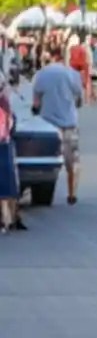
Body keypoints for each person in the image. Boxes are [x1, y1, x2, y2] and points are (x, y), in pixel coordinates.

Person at [31, 49, 84, 205]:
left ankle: (43, 190)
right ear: (62, 58)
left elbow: (36, 102)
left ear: (49, 58)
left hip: (48, 125)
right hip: (69, 123)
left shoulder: (41, 75)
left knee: (45, 161)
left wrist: (36, 110)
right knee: (72, 161)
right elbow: (79, 99)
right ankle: (72, 193)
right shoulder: (73, 74)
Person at [0, 84, 24, 232]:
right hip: (4, 145)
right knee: (7, 186)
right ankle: (9, 218)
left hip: (3, 144)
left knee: (5, 187)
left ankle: (7, 219)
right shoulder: (5, 104)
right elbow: (11, 126)